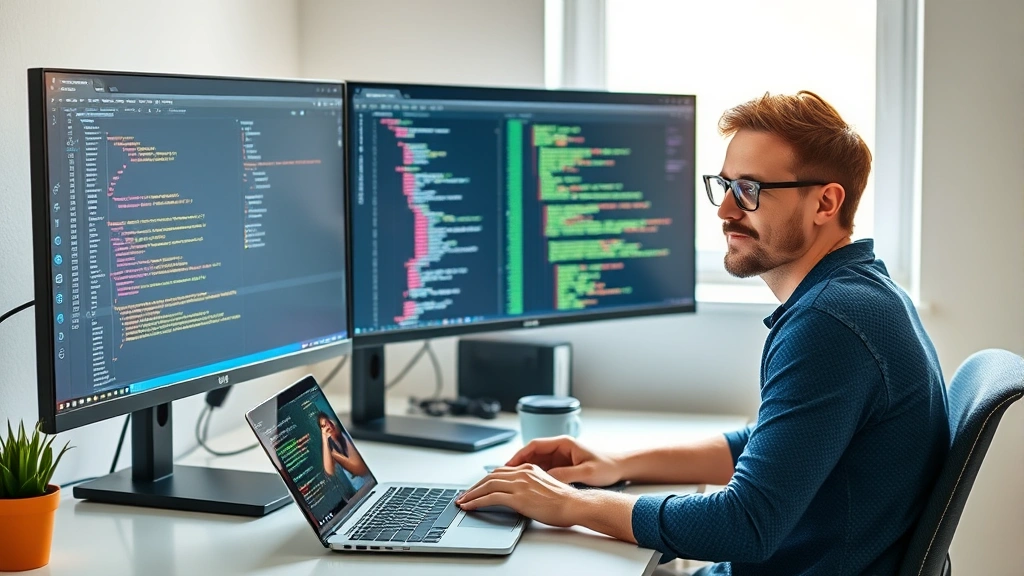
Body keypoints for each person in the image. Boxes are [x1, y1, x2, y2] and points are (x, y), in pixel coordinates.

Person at [456, 91, 949, 575]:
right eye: (725, 185)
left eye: (751, 190)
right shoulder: (863, 294)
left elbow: (744, 526)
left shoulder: (831, 323)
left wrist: (572, 505)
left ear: (825, 202)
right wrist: (615, 461)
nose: (725, 210)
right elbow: (770, 445)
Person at [318, 412, 370, 496]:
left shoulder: (343, 436)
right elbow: (329, 471)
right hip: (361, 489)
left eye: (328, 422)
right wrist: (324, 436)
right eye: (323, 426)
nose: (328, 426)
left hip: (367, 483)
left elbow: (360, 469)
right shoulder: (331, 448)